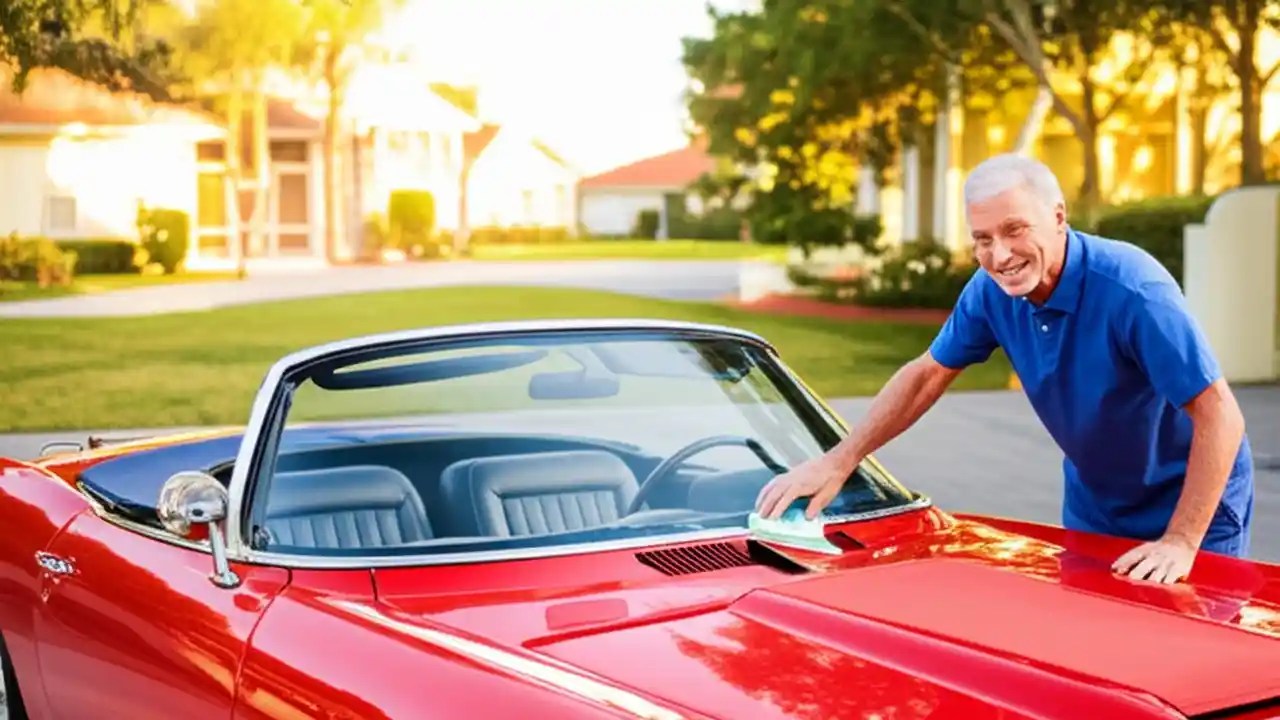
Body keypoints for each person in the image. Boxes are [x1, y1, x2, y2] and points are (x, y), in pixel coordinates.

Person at [756, 153, 1253, 584]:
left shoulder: (1134, 291)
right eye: (982, 238)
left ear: (1058, 218)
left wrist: (1182, 540)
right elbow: (927, 374)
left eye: (1015, 230)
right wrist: (839, 460)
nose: (999, 255)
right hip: (1098, 502)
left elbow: (1220, 415)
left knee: (1186, 648)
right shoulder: (990, 291)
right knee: (1096, 643)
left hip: (1190, 501)